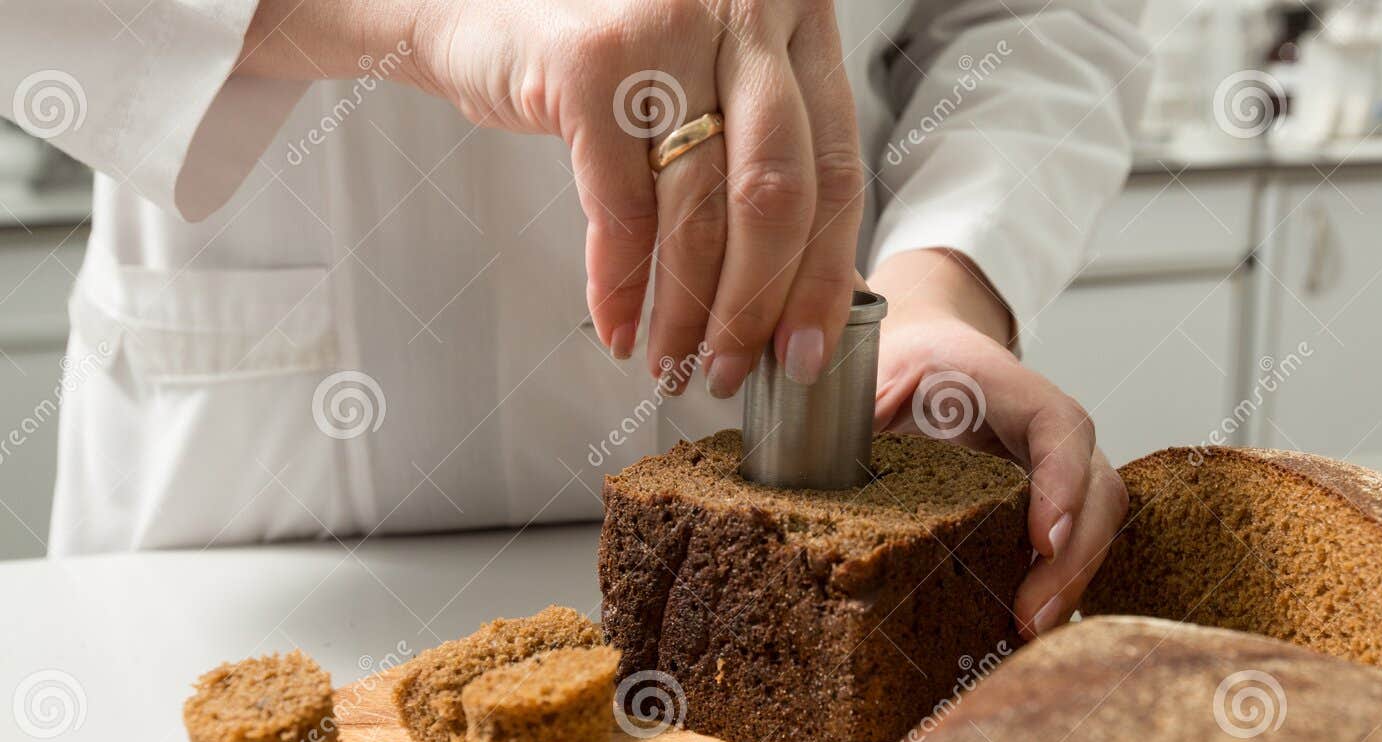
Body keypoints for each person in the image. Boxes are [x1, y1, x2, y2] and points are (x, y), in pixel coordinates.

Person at [3, 0, 1150, 636]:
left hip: (787, 544)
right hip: (260, 532)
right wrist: (419, 19)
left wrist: (944, 284)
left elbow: (1034, 14)